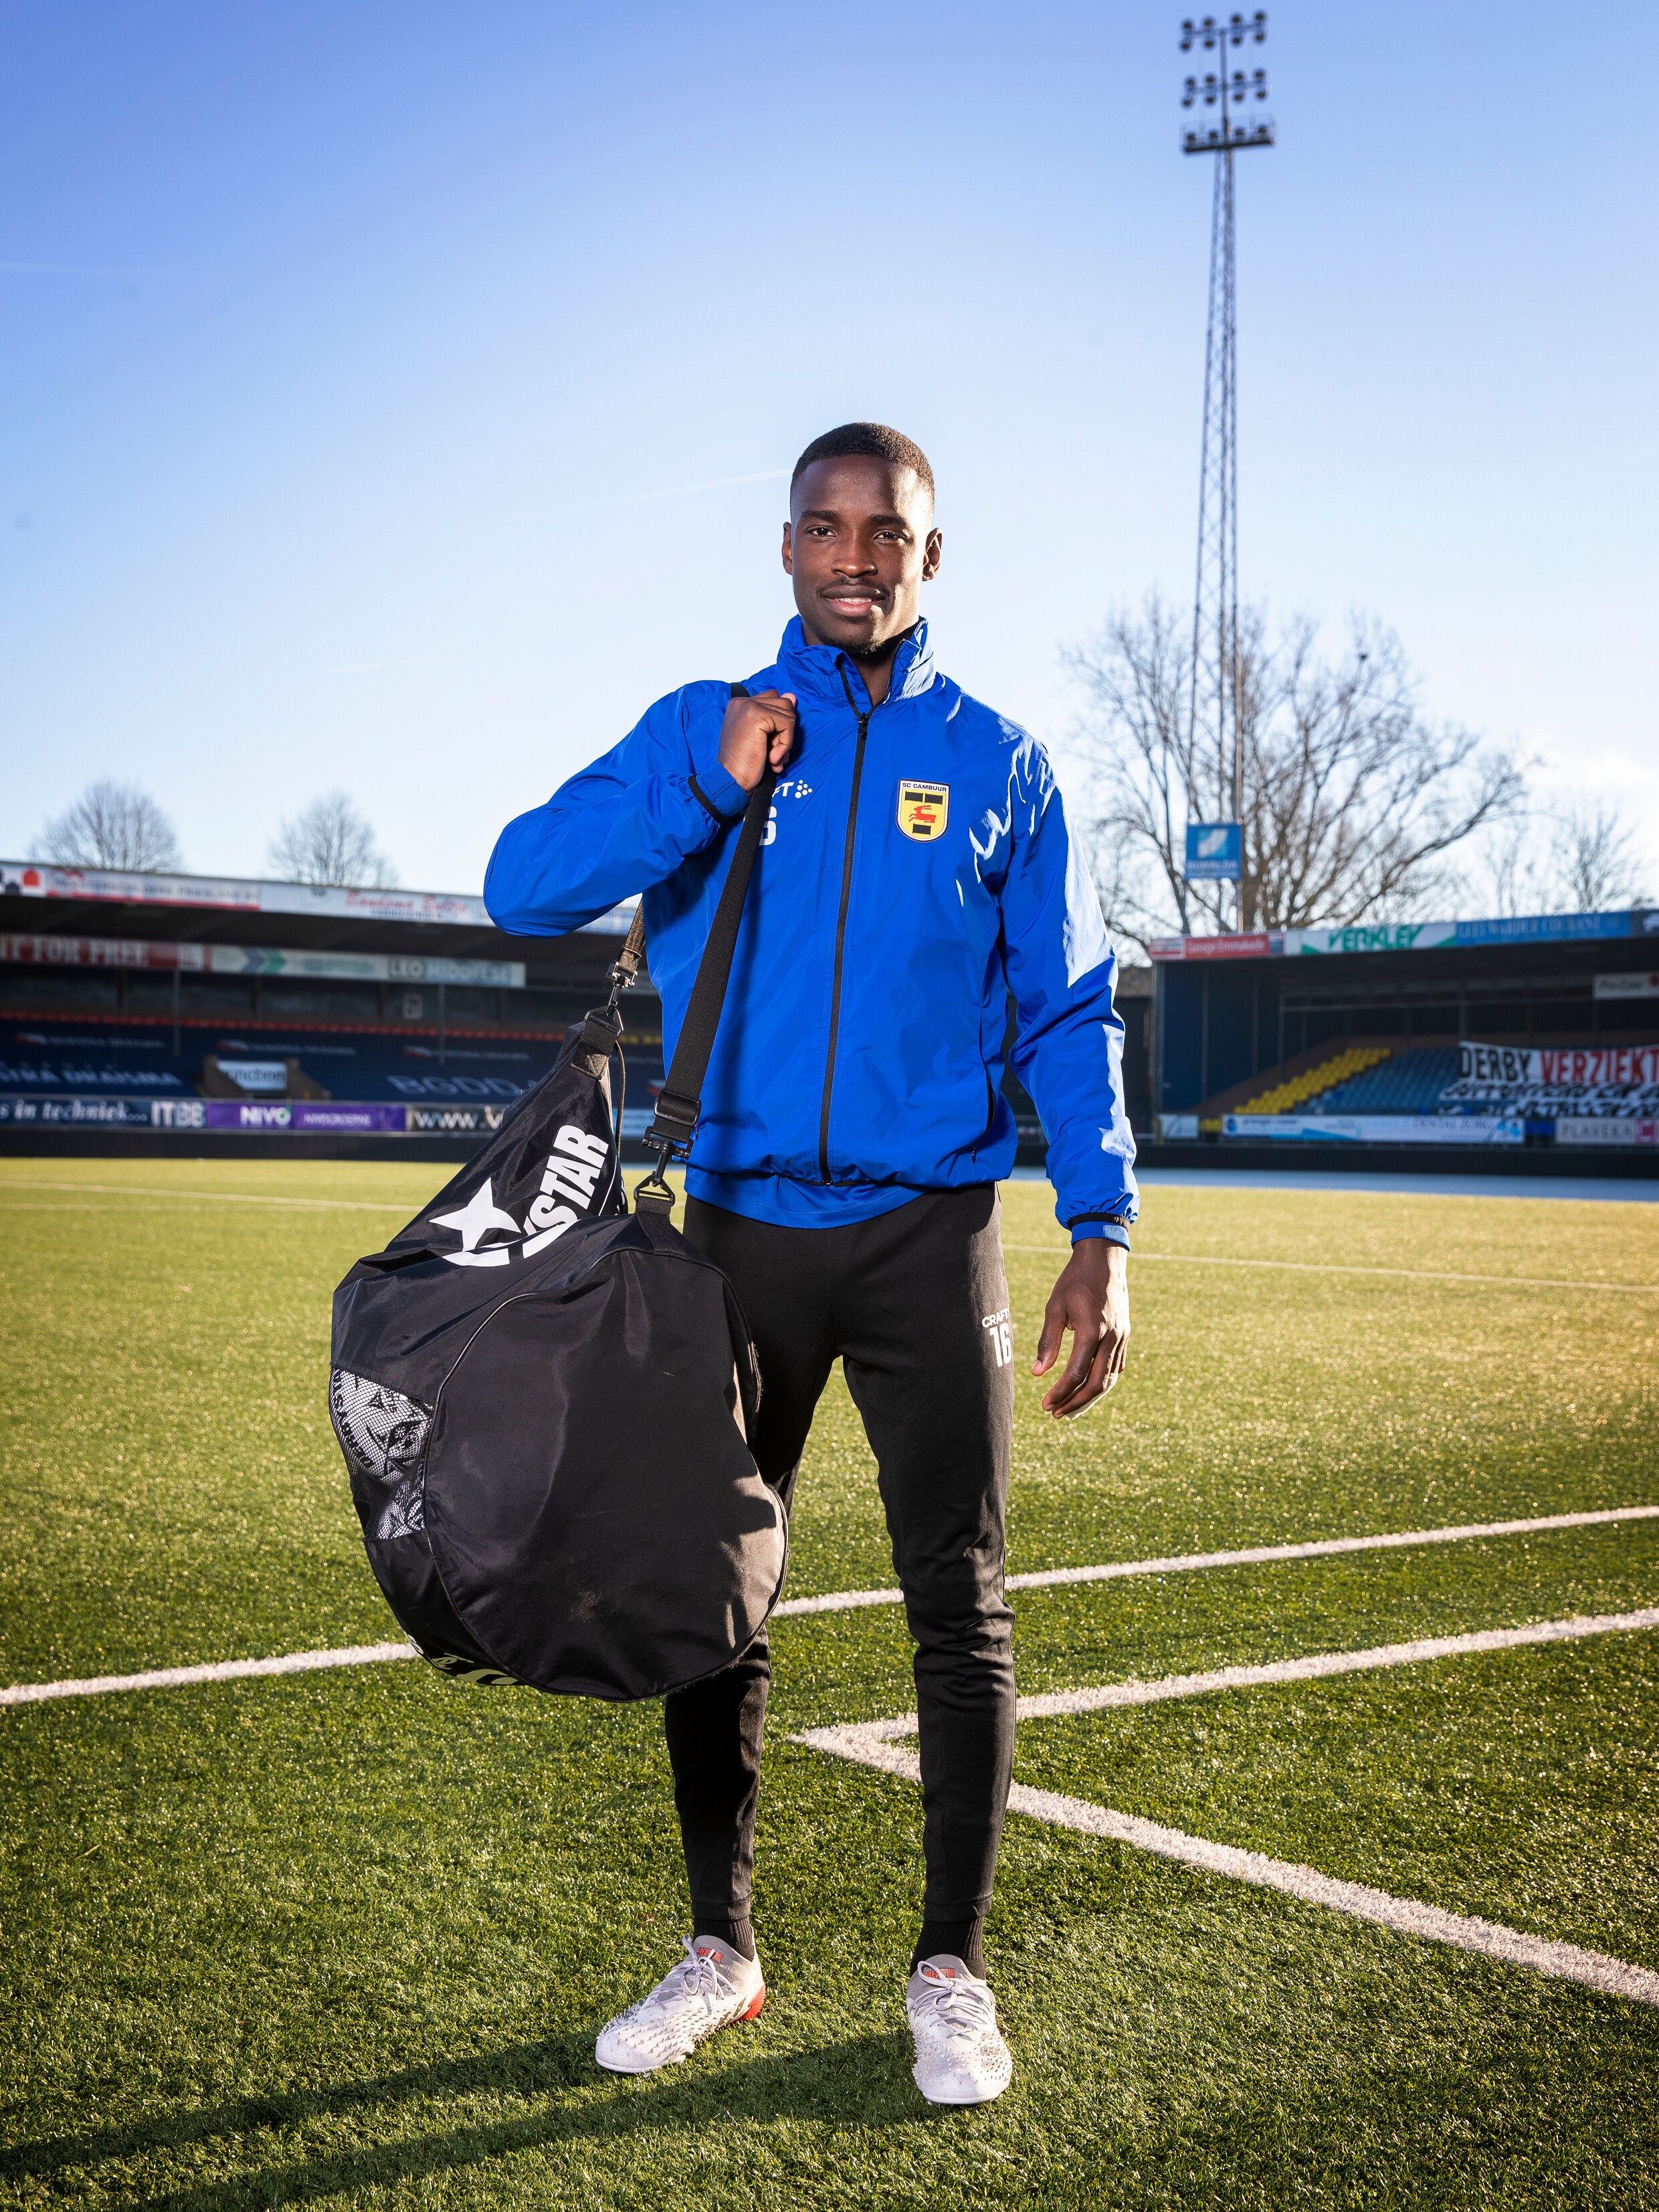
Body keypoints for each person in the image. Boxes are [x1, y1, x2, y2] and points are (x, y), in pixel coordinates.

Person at [484, 421, 1136, 2106]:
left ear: (932, 554)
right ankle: (721, 1947)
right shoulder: (707, 731)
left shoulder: (1004, 766)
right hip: (739, 1230)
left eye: (887, 531)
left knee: (959, 1604)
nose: (856, 555)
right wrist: (704, 780)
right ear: (785, 549)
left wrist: (1101, 1226)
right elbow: (519, 886)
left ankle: (951, 1967)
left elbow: (1067, 1009)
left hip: (932, 1232)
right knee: (715, 1591)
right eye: (826, 528)